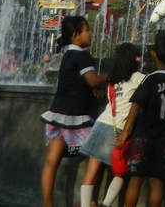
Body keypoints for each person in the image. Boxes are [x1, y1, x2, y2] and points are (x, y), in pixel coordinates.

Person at [115, 31, 165, 207]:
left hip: (143, 137)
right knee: (156, 182)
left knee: (136, 180)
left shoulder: (150, 80)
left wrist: (125, 132)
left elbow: (136, 105)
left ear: (153, 54)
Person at [40, 15, 106, 207]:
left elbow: (80, 80)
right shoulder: (82, 55)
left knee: (52, 161)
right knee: (97, 151)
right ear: (76, 35)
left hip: (58, 112)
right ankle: (89, 201)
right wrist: (113, 76)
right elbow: (92, 80)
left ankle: (47, 203)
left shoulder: (68, 54)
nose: (90, 33)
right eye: (87, 30)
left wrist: (90, 84)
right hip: (75, 116)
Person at [79, 42, 145, 207]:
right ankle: (106, 204)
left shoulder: (112, 79)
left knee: (91, 170)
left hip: (101, 123)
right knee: (119, 171)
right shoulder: (138, 77)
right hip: (117, 129)